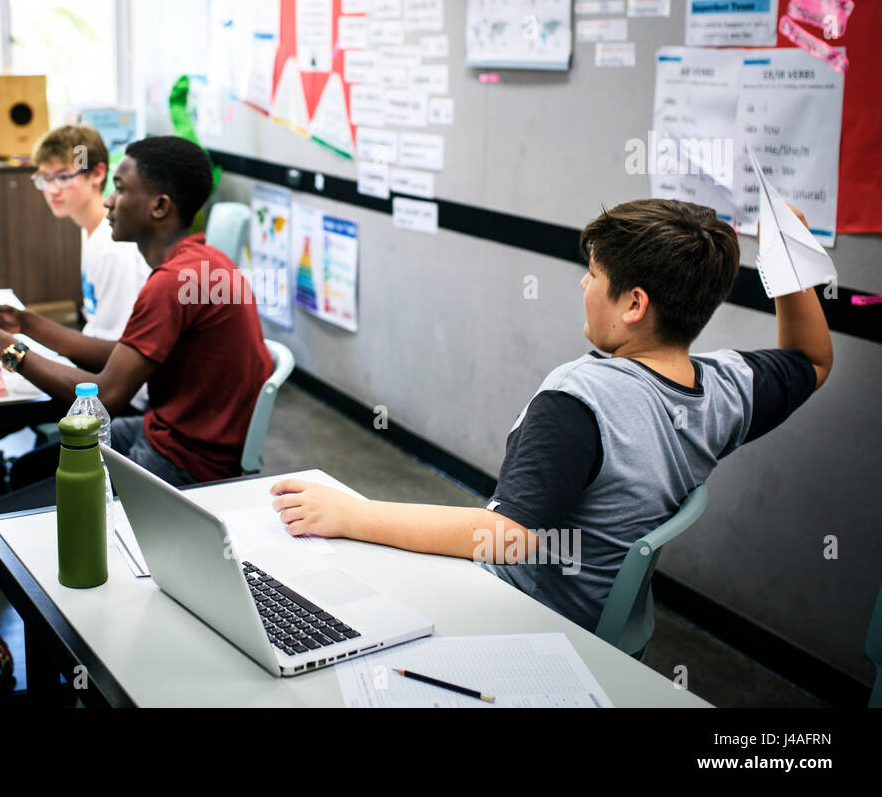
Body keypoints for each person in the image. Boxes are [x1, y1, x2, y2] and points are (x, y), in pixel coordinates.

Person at [269, 199, 832, 638]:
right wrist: (785, 259)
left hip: (528, 619)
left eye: (593, 275)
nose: (583, 286)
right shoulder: (726, 389)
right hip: (610, 622)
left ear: (634, 305)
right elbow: (813, 359)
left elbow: (505, 537)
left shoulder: (577, 400)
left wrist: (352, 514)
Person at [0, 135, 274, 486]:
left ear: (159, 207)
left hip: (184, 464)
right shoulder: (204, 261)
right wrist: (24, 322)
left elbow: (106, 397)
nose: (110, 202)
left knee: (1, 508)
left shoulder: (171, 282)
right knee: (27, 471)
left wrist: (4, 348)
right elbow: (122, 354)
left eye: (120, 189)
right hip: (169, 433)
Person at [32, 124, 151, 341]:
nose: (51, 189)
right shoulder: (91, 229)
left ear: (97, 173)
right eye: (46, 178)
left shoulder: (113, 246)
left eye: (64, 177)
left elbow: (116, 345)